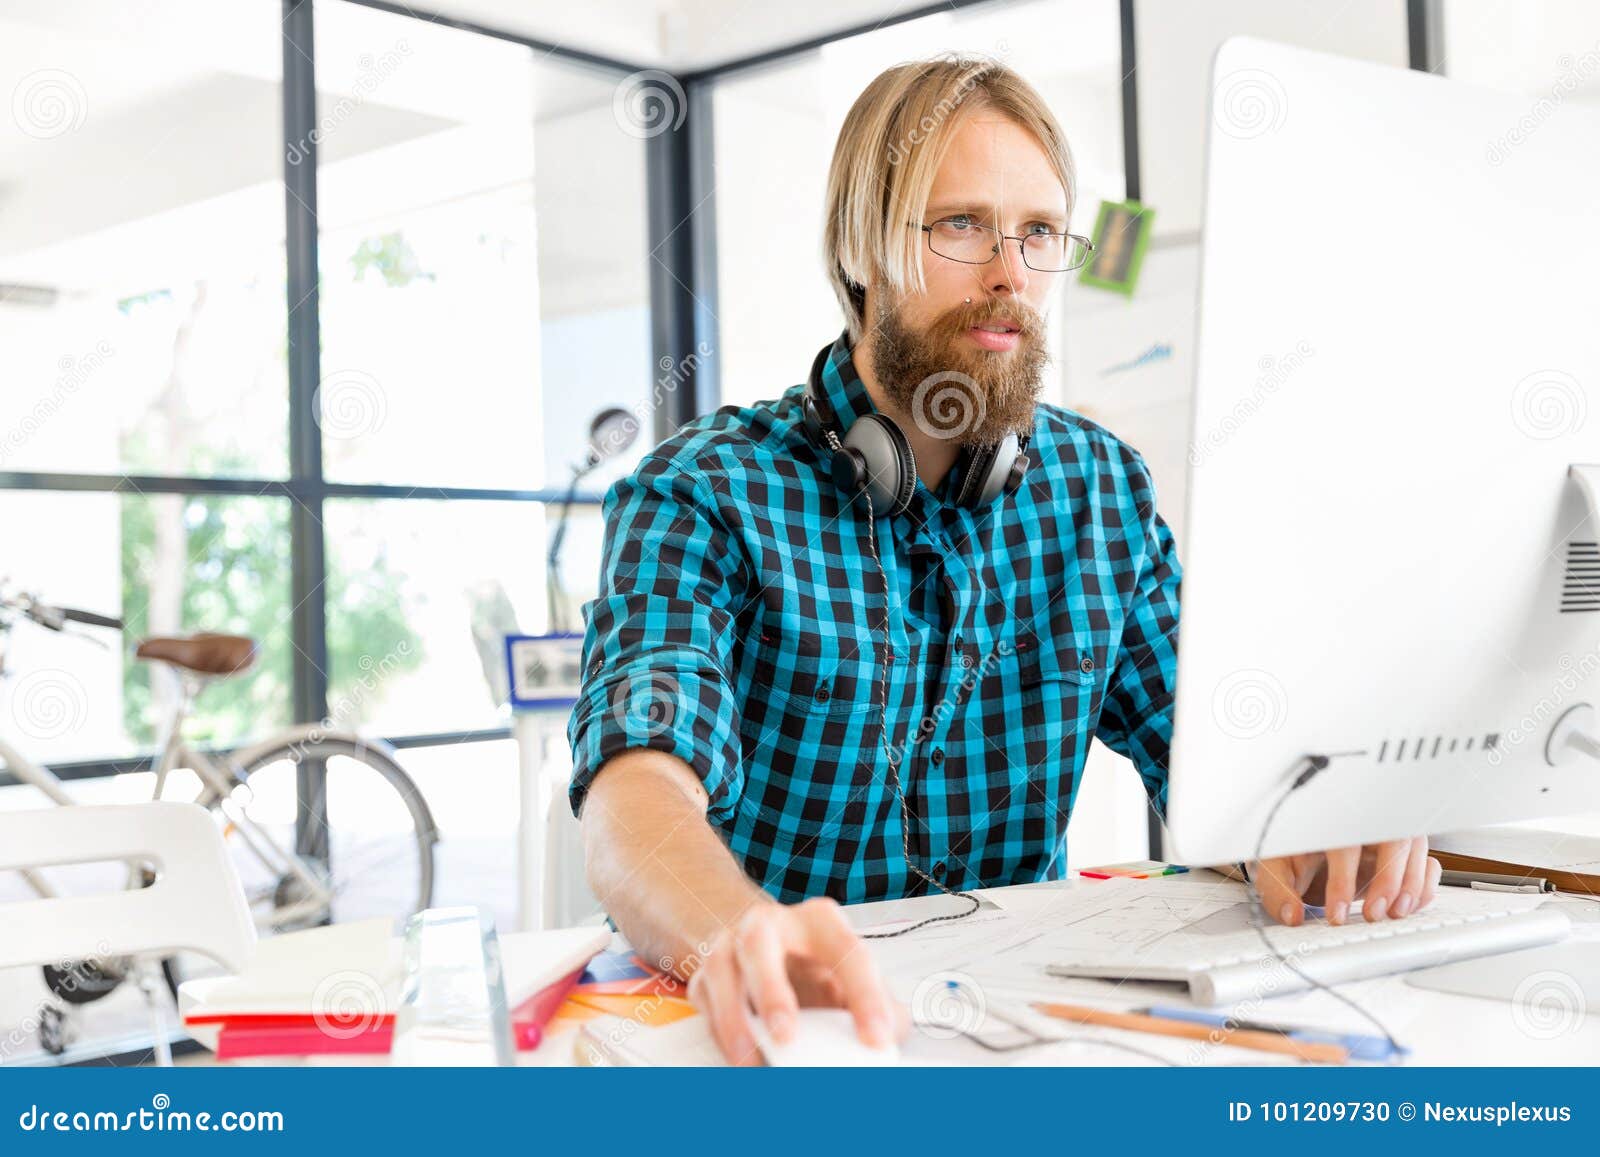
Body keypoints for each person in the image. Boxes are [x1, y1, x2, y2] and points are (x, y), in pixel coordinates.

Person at [566, 55, 1442, 1064]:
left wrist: (1312, 819)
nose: (1009, 272)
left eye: (1036, 232)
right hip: (786, 1038)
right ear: (859, 249)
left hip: (1019, 1039)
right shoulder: (704, 491)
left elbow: (1218, 753)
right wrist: (736, 933)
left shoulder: (1098, 488)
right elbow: (635, 792)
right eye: (960, 225)